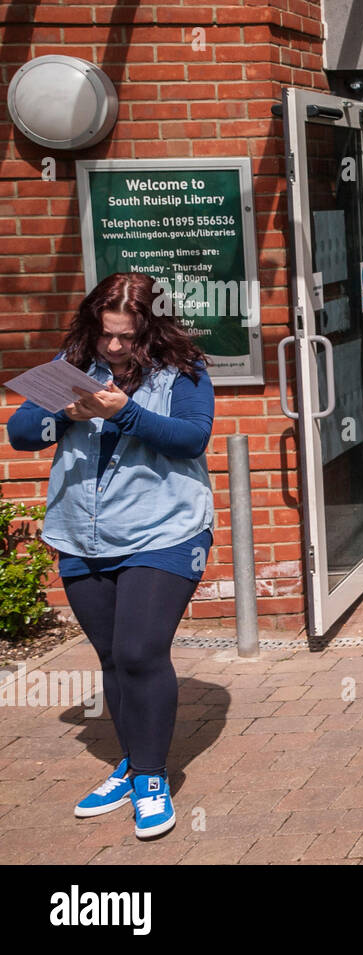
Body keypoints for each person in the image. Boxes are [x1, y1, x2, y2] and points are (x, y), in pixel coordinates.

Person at [4, 271, 215, 839]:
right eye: (106, 334)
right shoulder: (71, 364)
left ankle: (150, 777)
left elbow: (192, 438)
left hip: (164, 529)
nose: (115, 346)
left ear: (149, 328)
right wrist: (65, 413)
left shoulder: (184, 370)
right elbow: (21, 432)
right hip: (81, 533)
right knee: (113, 658)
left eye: (126, 335)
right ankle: (131, 761)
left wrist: (122, 411)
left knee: (141, 651)